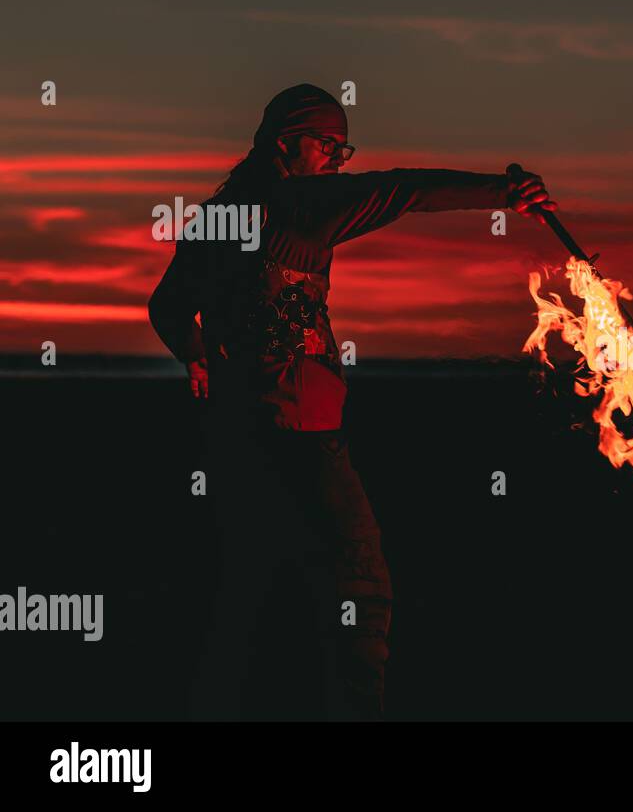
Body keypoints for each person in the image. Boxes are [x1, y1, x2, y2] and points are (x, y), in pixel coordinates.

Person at [148, 83, 556, 719]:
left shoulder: (215, 217)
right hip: (303, 435)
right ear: (287, 144)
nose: (339, 158)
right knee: (361, 590)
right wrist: (504, 191)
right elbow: (403, 189)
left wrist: (198, 355)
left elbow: (168, 306)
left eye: (345, 147)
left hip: (238, 435)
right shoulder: (298, 204)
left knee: (253, 594)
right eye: (329, 144)